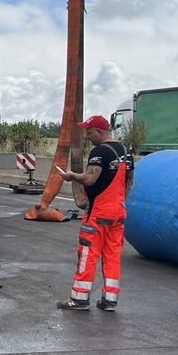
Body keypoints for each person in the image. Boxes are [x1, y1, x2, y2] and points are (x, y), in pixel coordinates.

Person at [56, 114, 132, 312]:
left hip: (99, 213)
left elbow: (90, 179)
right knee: (113, 256)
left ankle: (79, 299)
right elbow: (128, 182)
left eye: (89, 133)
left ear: (100, 131)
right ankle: (109, 300)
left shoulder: (100, 152)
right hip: (119, 212)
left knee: (87, 255)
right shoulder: (126, 151)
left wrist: (71, 176)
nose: (88, 137)